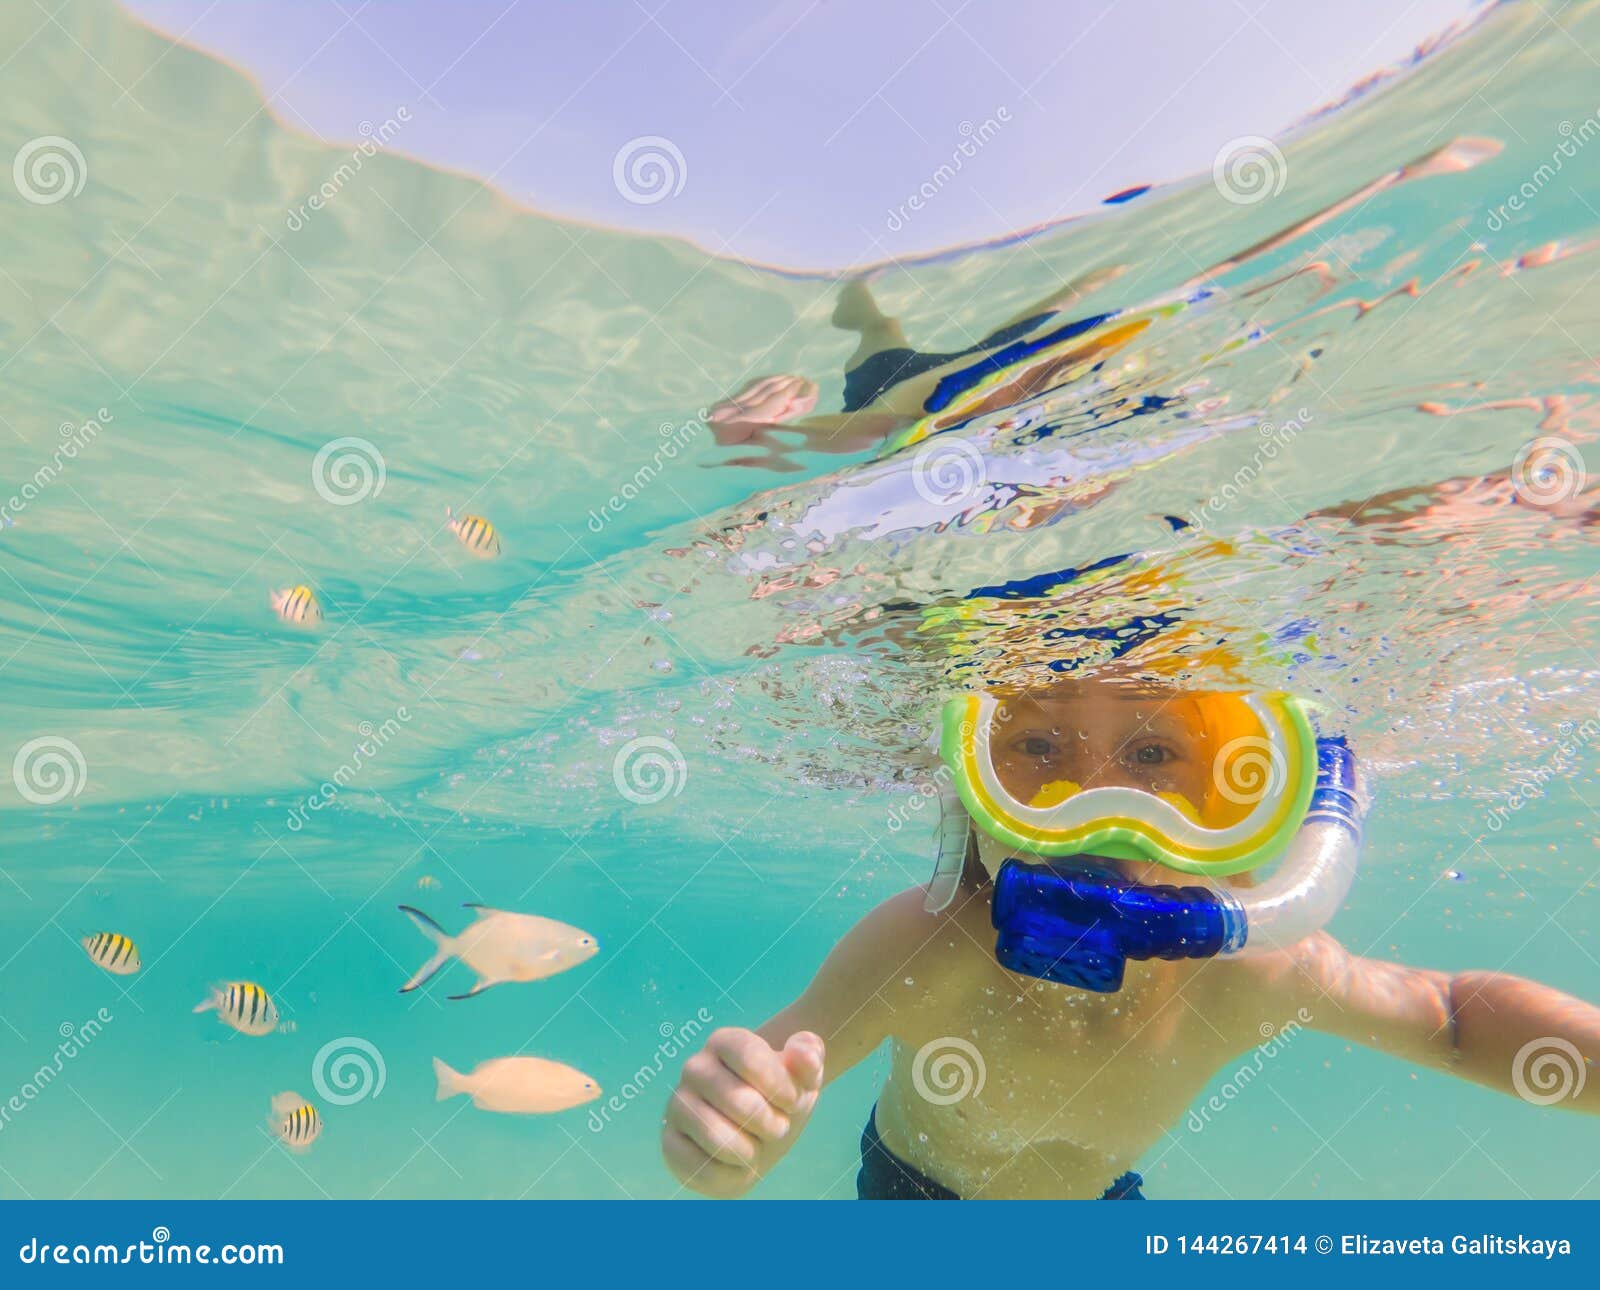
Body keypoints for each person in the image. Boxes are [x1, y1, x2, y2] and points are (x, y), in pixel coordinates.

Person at [660, 681, 1600, 1199]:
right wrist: (730, 1145)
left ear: (1240, 800)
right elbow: (773, 1079)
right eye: (1034, 750)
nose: (1098, 812)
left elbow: (1446, 1019)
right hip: (913, 1202)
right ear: (971, 786)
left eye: (1153, 755)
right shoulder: (930, 947)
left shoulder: (1257, 970)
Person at [707, 268, 1123, 470]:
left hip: (921, 376)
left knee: (883, 329)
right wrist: (745, 431)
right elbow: (841, 434)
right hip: (904, 376)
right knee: (880, 327)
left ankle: (855, 290)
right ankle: (853, 284)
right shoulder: (913, 415)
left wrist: (744, 432)